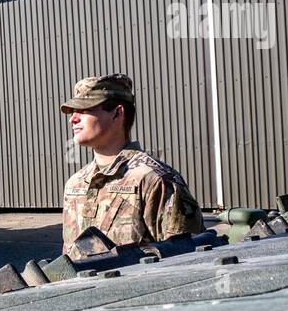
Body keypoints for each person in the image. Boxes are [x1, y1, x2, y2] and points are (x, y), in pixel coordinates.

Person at [60, 73, 204, 255]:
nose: (73, 119)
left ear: (118, 113)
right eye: (73, 112)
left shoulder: (154, 180)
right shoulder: (76, 184)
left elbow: (189, 260)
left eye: (85, 110)